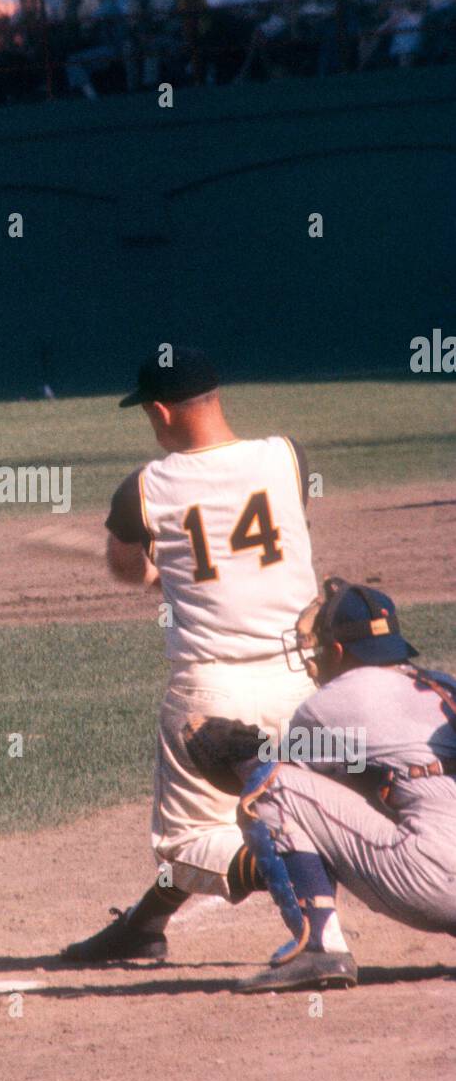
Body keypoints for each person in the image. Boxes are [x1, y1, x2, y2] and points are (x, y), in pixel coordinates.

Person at [61, 345, 318, 963]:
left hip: (213, 698)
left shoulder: (144, 490)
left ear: (160, 411)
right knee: (339, 805)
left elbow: (129, 568)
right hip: (307, 689)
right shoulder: (286, 456)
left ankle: (289, 880)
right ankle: (144, 926)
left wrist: (159, 574)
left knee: (187, 843)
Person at [207, 578, 456, 993]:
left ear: (338, 651)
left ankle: (319, 948)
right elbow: (365, 765)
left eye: (319, 645)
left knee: (269, 788)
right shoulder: (442, 686)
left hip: (432, 881)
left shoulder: (334, 701)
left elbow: (271, 770)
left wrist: (239, 754)